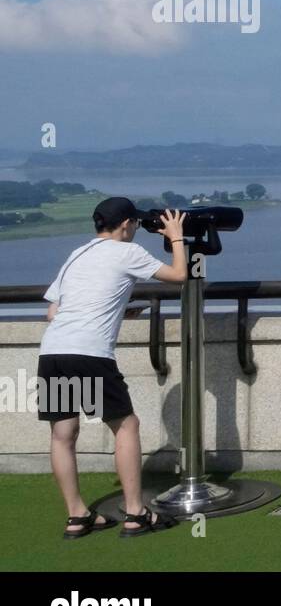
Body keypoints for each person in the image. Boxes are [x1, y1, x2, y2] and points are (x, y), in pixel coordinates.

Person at [39, 198, 188, 538]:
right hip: (90, 353)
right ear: (126, 225)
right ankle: (136, 513)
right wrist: (176, 236)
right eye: (135, 224)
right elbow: (179, 275)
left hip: (53, 352)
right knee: (125, 425)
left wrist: (116, 312)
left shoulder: (77, 253)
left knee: (63, 435)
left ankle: (77, 516)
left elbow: (53, 313)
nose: (135, 229)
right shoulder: (127, 252)